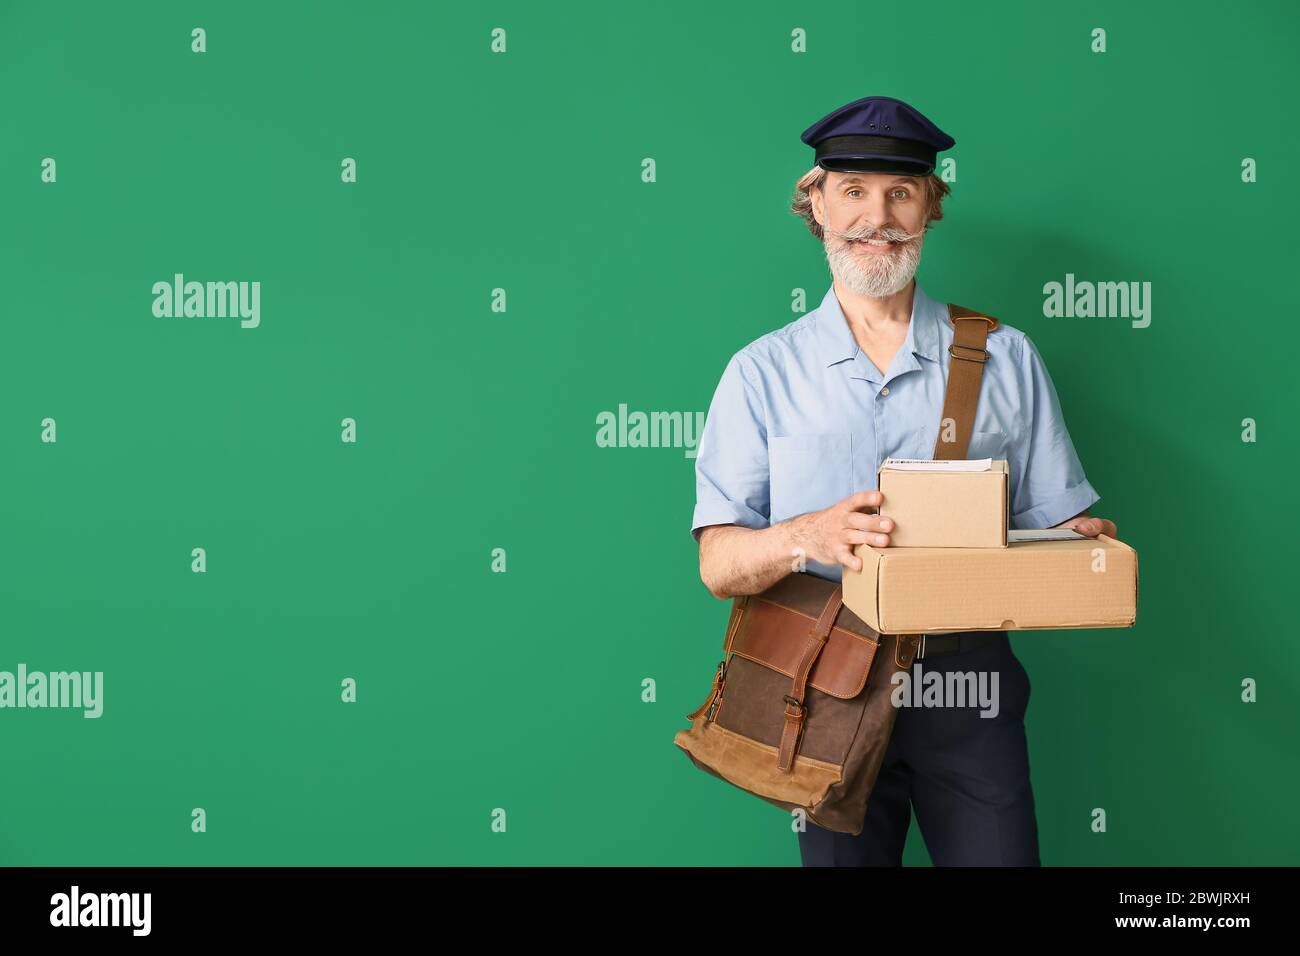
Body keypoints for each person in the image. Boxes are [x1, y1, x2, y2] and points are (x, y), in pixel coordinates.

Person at [689, 95, 1117, 866]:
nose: (875, 215)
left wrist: (1075, 546)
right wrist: (804, 534)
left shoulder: (1008, 356)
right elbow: (719, 566)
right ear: (815, 204)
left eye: (900, 191)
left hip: (969, 685)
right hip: (821, 682)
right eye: (852, 189)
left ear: (931, 207)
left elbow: (1055, 528)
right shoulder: (759, 374)